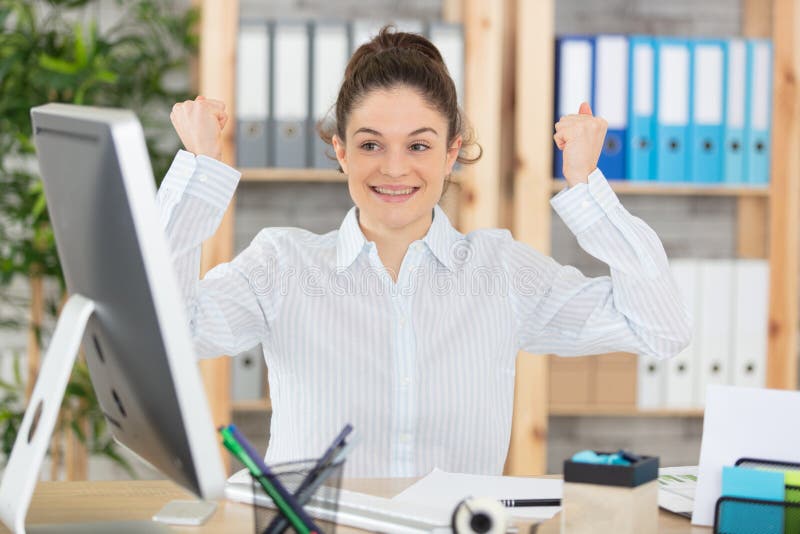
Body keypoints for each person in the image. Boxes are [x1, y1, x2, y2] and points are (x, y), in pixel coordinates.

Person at [158, 26, 690, 478]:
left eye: (418, 145)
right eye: (370, 144)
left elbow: (659, 329)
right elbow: (169, 332)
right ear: (340, 151)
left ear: (451, 152)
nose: (394, 169)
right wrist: (200, 167)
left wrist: (585, 185)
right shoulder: (281, 266)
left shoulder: (502, 271)